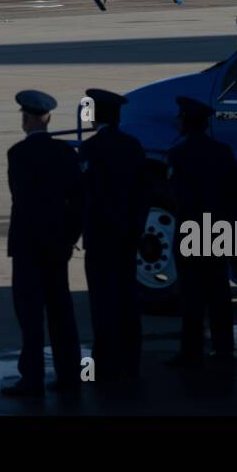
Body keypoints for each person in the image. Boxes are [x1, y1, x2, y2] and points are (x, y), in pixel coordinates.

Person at [2, 89, 84, 397]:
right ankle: (69, 374)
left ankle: (32, 377)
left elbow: (23, 202)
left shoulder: (18, 155)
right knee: (61, 313)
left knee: (30, 315)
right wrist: (67, 240)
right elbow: (78, 202)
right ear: (47, 119)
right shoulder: (65, 153)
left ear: (26, 120)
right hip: (58, 246)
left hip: (29, 247)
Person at [78, 88, 150, 385]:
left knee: (102, 300)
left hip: (100, 235)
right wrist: (136, 227)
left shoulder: (91, 149)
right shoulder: (133, 146)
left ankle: (104, 360)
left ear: (95, 117)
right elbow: (143, 194)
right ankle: (131, 358)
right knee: (127, 297)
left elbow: (86, 197)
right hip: (128, 233)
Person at [166, 96, 237, 368]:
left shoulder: (177, 155)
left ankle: (192, 349)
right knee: (219, 292)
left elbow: (176, 196)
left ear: (186, 122)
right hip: (218, 229)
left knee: (192, 296)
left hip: (191, 229)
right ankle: (224, 346)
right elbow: (235, 194)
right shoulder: (223, 152)